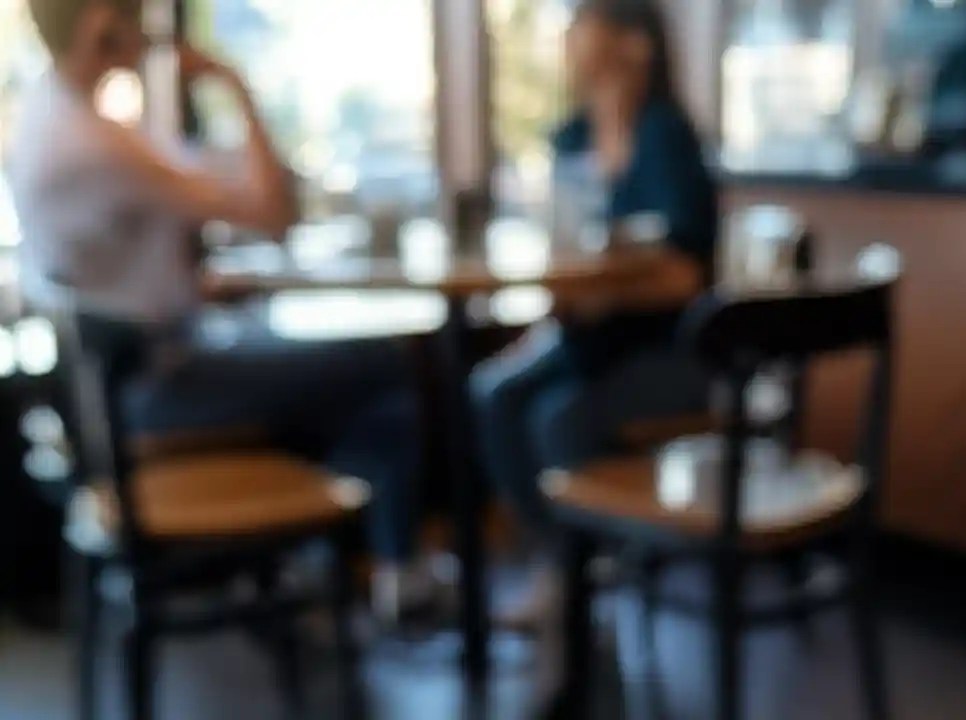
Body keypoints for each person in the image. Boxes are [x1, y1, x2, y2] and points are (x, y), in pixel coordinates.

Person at [5, 0, 436, 624]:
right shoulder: (92, 142)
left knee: (339, 370)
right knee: (383, 363)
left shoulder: (57, 119)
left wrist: (188, 282)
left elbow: (115, 262)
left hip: (123, 386)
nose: (148, 27)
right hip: (154, 388)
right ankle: (387, 570)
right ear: (101, 23)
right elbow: (272, 213)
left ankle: (361, 567)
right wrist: (232, 82)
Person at [470, 0, 717, 620]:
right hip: (587, 339)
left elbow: (686, 277)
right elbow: (560, 248)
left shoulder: (663, 135)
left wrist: (606, 294)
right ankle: (558, 555)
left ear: (634, 44)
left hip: (668, 348)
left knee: (559, 416)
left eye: (584, 23)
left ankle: (589, 572)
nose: (569, 38)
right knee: (493, 391)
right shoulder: (573, 137)